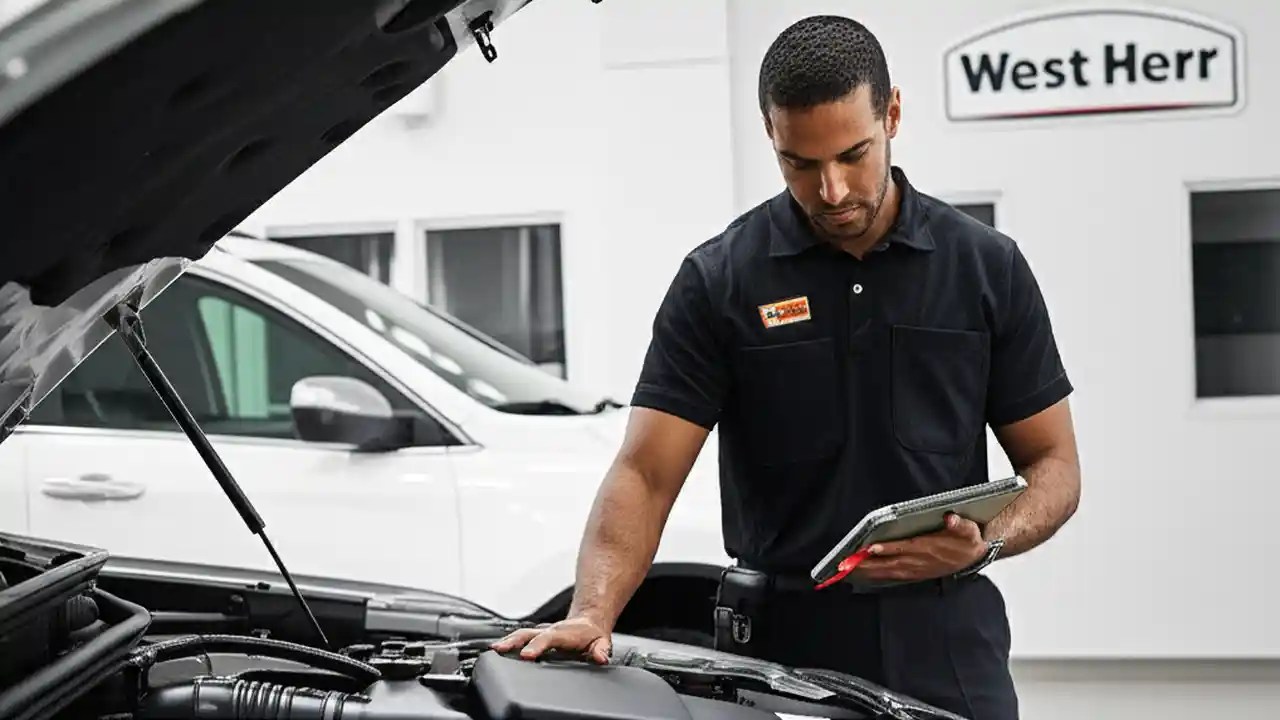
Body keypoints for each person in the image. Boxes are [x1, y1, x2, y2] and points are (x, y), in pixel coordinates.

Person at [492, 14, 1081, 720]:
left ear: (892, 113)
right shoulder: (720, 280)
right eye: (799, 164)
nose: (831, 191)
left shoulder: (986, 268)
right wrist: (593, 612)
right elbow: (646, 473)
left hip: (948, 638)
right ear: (771, 137)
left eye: (852, 155)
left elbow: (1055, 468)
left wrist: (981, 543)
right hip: (776, 649)